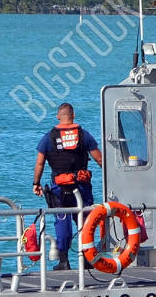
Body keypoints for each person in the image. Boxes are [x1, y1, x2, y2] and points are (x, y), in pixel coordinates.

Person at [32, 103, 103, 270]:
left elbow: (40, 163)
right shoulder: (84, 135)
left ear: (58, 116)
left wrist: (36, 183)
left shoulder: (48, 137)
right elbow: (99, 159)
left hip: (60, 189)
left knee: (62, 221)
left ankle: (64, 261)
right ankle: (87, 259)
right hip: (82, 187)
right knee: (86, 221)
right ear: (74, 115)